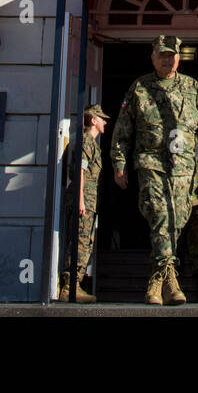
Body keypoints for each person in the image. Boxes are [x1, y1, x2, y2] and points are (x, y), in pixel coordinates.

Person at [111, 34, 198, 305]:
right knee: (160, 216)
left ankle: (160, 278)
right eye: (162, 54)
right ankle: (167, 279)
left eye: (172, 55)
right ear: (153, 57)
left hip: (185, 169)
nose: (167, 59)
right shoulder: (140, 87)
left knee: (176, 221)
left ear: (178, 57)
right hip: (152, 164)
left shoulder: (192, 88)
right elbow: (122, 131)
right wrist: (119, 163)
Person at [60, 104, 108, 303]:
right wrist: (80, 200)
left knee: (85, 241)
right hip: (83, 200)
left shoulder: (93, 144)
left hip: (89, 200)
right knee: (79, 241)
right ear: (93, 120)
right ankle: (69, 287)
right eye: (102, 119)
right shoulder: (85, 142)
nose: (105, 122)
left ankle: (75, 284)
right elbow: (79, 171)